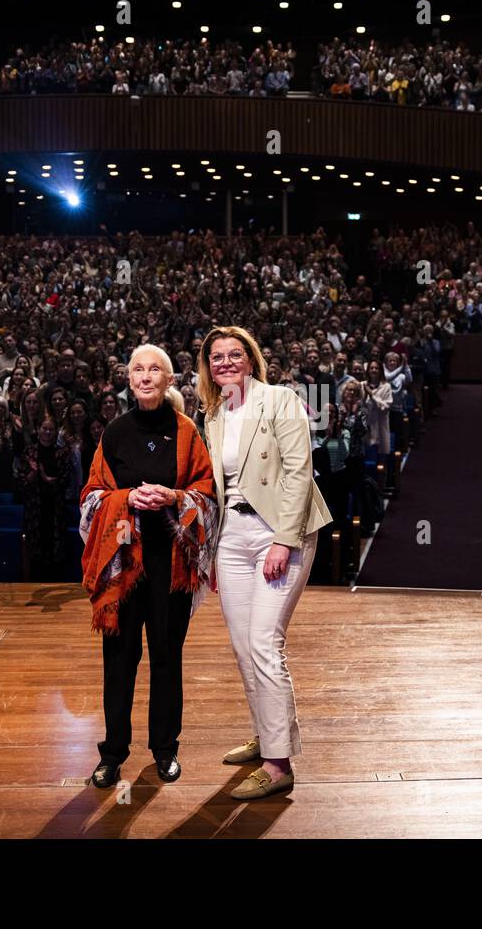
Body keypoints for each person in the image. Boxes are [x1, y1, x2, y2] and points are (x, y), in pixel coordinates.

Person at [199, 326, 334, 800]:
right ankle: (266, 735)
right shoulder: (212, 414)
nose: (226, 363)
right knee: (242, 647)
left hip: (280, 530)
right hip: (232, 538)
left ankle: (279, 765)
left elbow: (300, 471)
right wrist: (212, 550)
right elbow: (216, 488)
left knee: (263, 643)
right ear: (208, 367)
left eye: (235, 355)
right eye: (217, 357)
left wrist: (283, 539)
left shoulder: (279, 400)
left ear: (251, 360)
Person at [79, 344, 218, 789]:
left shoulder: (187, 431)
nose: (145, 376)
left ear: (170, 380)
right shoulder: (114, 433)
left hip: (171, 562)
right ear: (129, 379)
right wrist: (126, 500)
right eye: (137, 369)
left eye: (154, 369)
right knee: (118, 661)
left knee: (166, 657)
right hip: (124, 564)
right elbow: (90, 498)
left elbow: (208, 493)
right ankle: (112, 753)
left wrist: (174, 497)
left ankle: (165, 749)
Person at [18, 416, 81, 580]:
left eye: (51, 429)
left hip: (55, 508)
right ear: (38, 429)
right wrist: (33, 473)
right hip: (35, 508)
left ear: (55, 432)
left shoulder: (62, 452)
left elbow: (65, 479)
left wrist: (47, 479)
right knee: (36, 551)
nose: (47, 432)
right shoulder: (29, 451)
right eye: (44, 428)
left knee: (55, 550)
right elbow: (22, 481)